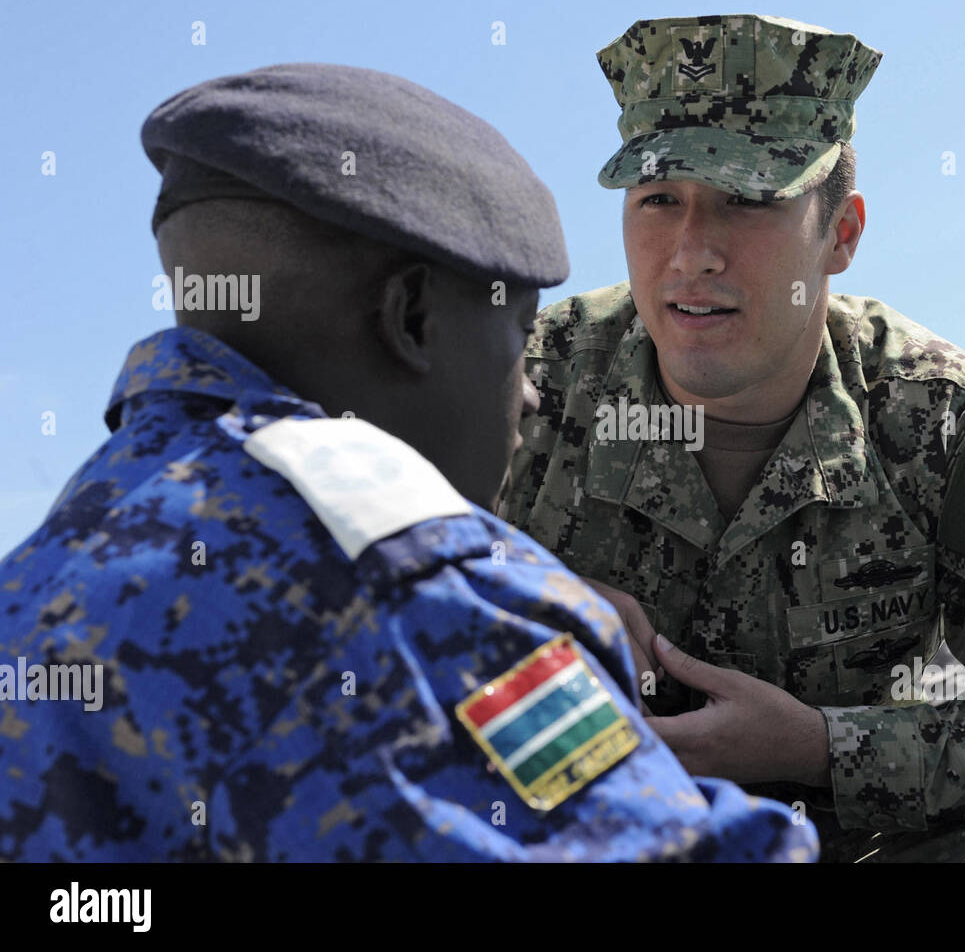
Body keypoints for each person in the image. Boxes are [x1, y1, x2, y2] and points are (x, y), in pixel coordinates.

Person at [0, 64, 817, 862]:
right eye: (520, 336)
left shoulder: (43, 569)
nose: (532, 394)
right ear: (412, 316)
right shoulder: (421, 594)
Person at [502, 14, 965, 862]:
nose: (692, 252)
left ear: (843, 235)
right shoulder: (525, 379)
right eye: (659, 200)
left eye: (749, 200)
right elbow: (325, 580)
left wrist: (823, 748)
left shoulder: (949, 429)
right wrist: (523, 599)